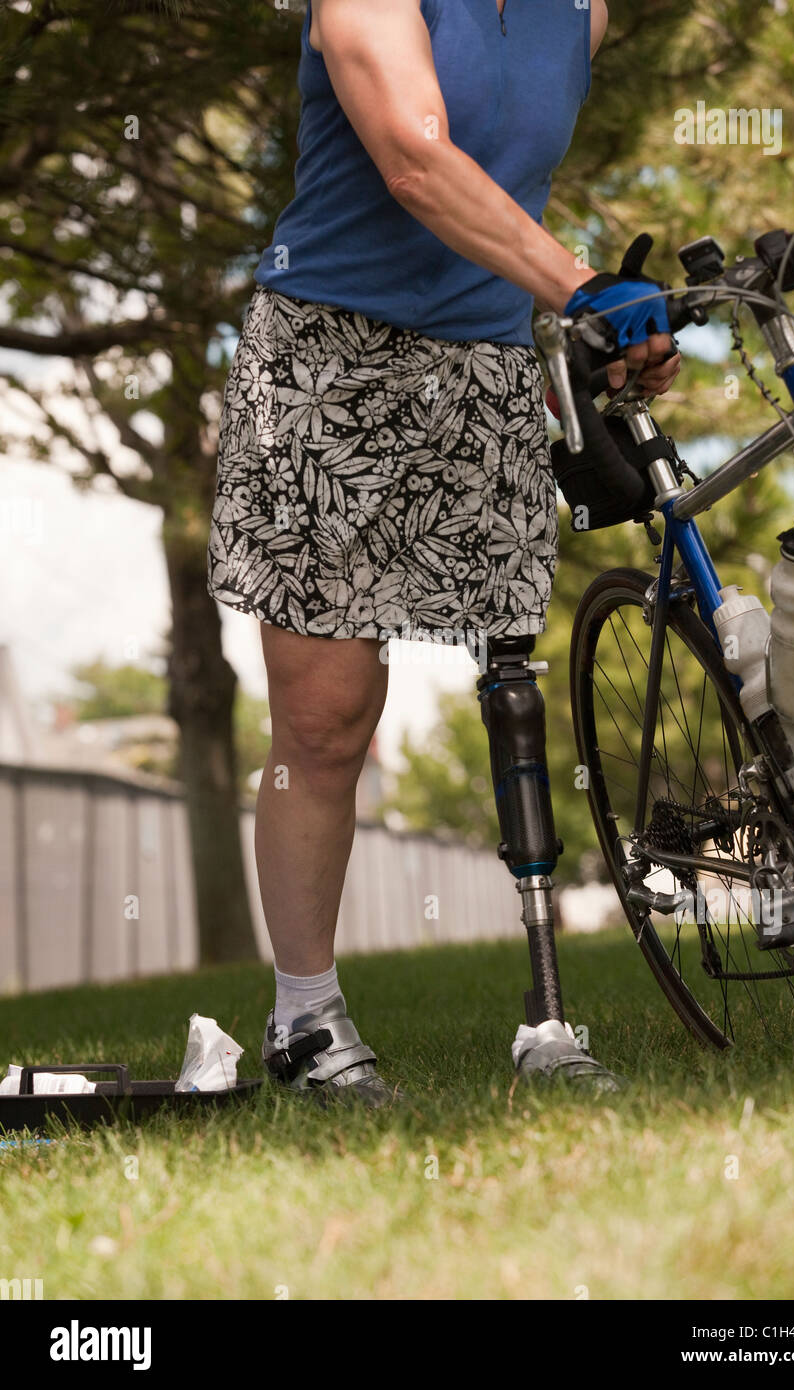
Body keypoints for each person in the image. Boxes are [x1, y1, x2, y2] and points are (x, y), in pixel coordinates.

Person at [207, 0, 681, 1106]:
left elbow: (503, 194)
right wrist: (579, 285)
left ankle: (547, 1014)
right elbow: (417, 159)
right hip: (327, 359)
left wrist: (603, 332)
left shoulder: (582, 14)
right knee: (325, 719)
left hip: (480, 367)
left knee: (510, 689)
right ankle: (305, 1017)